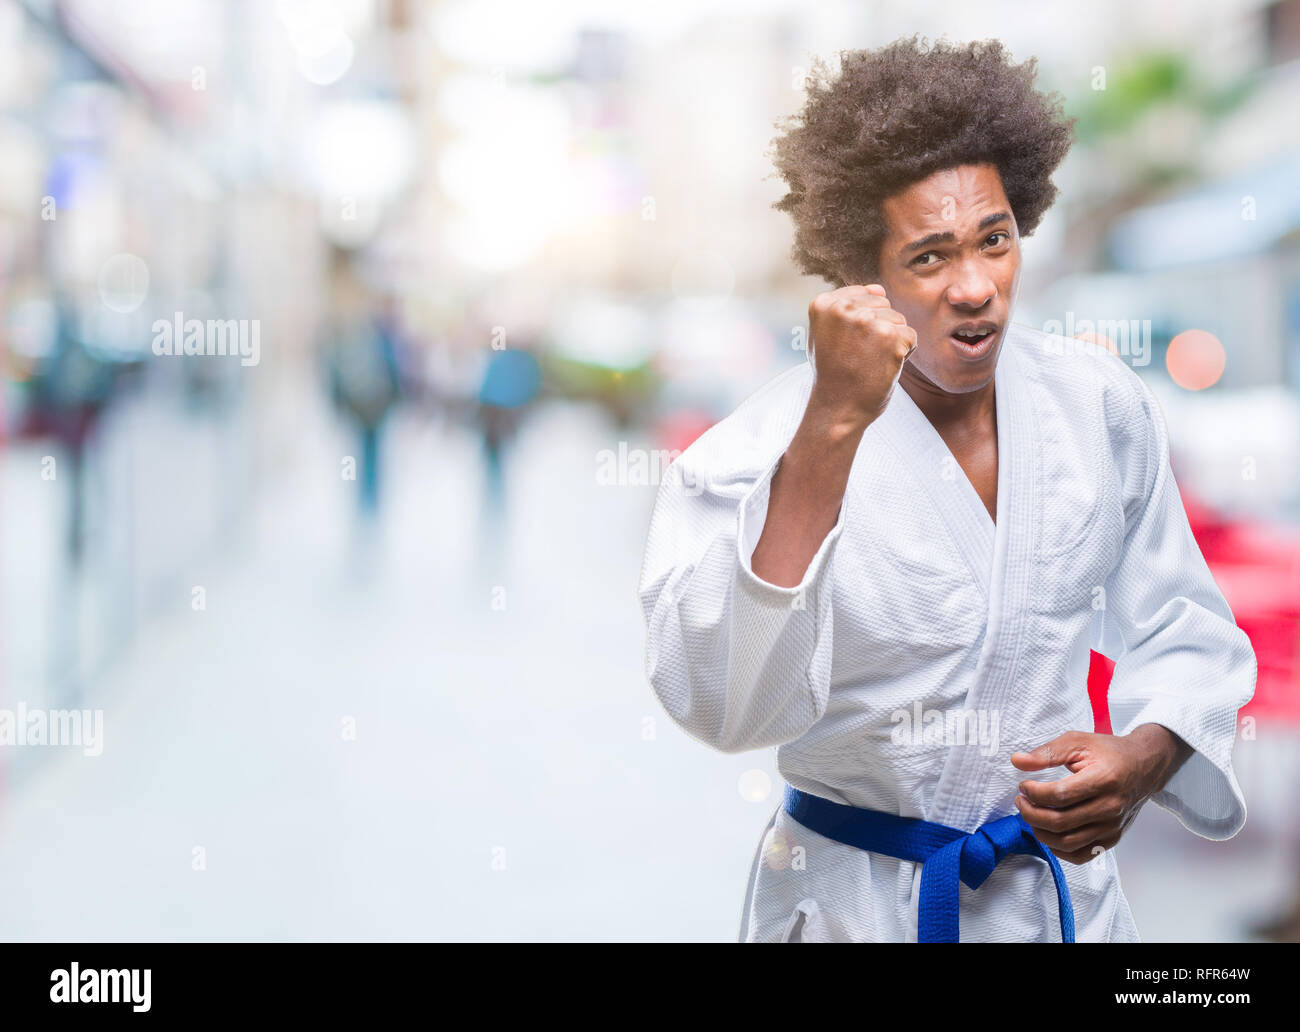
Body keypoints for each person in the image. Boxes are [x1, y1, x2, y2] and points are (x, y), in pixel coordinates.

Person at [637, 36, 1256, 943]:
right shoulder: (754, 450)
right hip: (856, 906)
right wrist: (832, 429)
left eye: (995, 241)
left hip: (1055, 907)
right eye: (930, 256)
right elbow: (724, 707)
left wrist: (1145, 756)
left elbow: (1187, 629)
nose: (977, 288)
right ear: (863, 272)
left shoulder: (1098, 407)